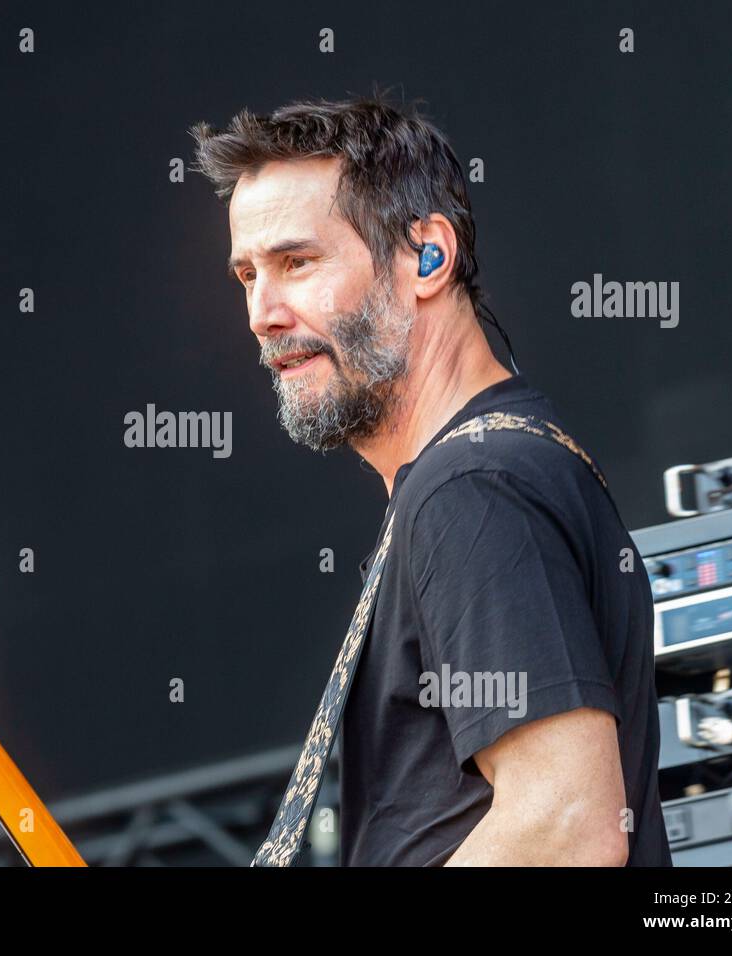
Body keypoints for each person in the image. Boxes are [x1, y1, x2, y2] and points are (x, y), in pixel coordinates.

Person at [190, 92, 671, 865]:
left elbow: (570, 828)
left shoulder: (471, 490)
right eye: (247, 274)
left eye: (297, 262)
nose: (261, 311)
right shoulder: (482, 473)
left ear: (428, 257)